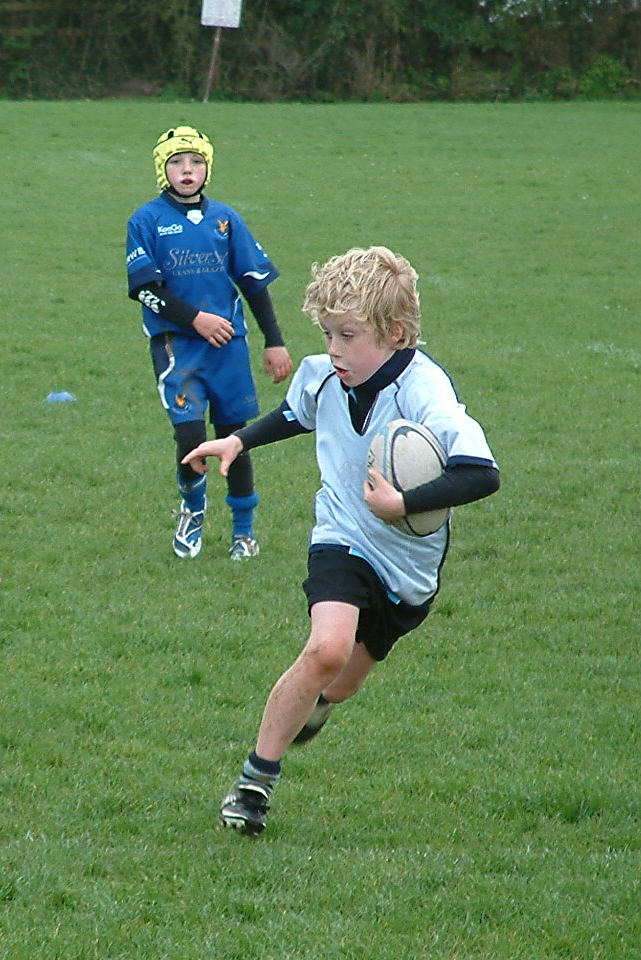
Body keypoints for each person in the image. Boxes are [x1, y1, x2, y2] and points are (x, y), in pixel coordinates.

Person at [183, 246, 500, 835]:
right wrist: (238, 442)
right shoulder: (326, 374)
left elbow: (483, 473)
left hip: (408, 568)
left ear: (396, 334)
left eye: (347, 335)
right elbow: (295, 413)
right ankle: (254, 784)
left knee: (345, 681)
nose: (332, 348)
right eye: (327, 332)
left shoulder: (426, 393)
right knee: (327, 650)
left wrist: (402, 503)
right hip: (342, 534)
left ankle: (319, 704)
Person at [126, 125, 294, 560]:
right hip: (178, 347)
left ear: (207, 168)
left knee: (235, 438)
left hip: (229, 347)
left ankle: (244, 532)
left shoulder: (225, 219)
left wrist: (273, 341)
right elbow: (146, 290)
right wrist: (196, 319)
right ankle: (193, 508)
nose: (187, 170)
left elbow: (254, 283)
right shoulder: (146, 221)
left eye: (196, 162)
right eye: (177, 162)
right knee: (190, 436)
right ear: (163, 169)